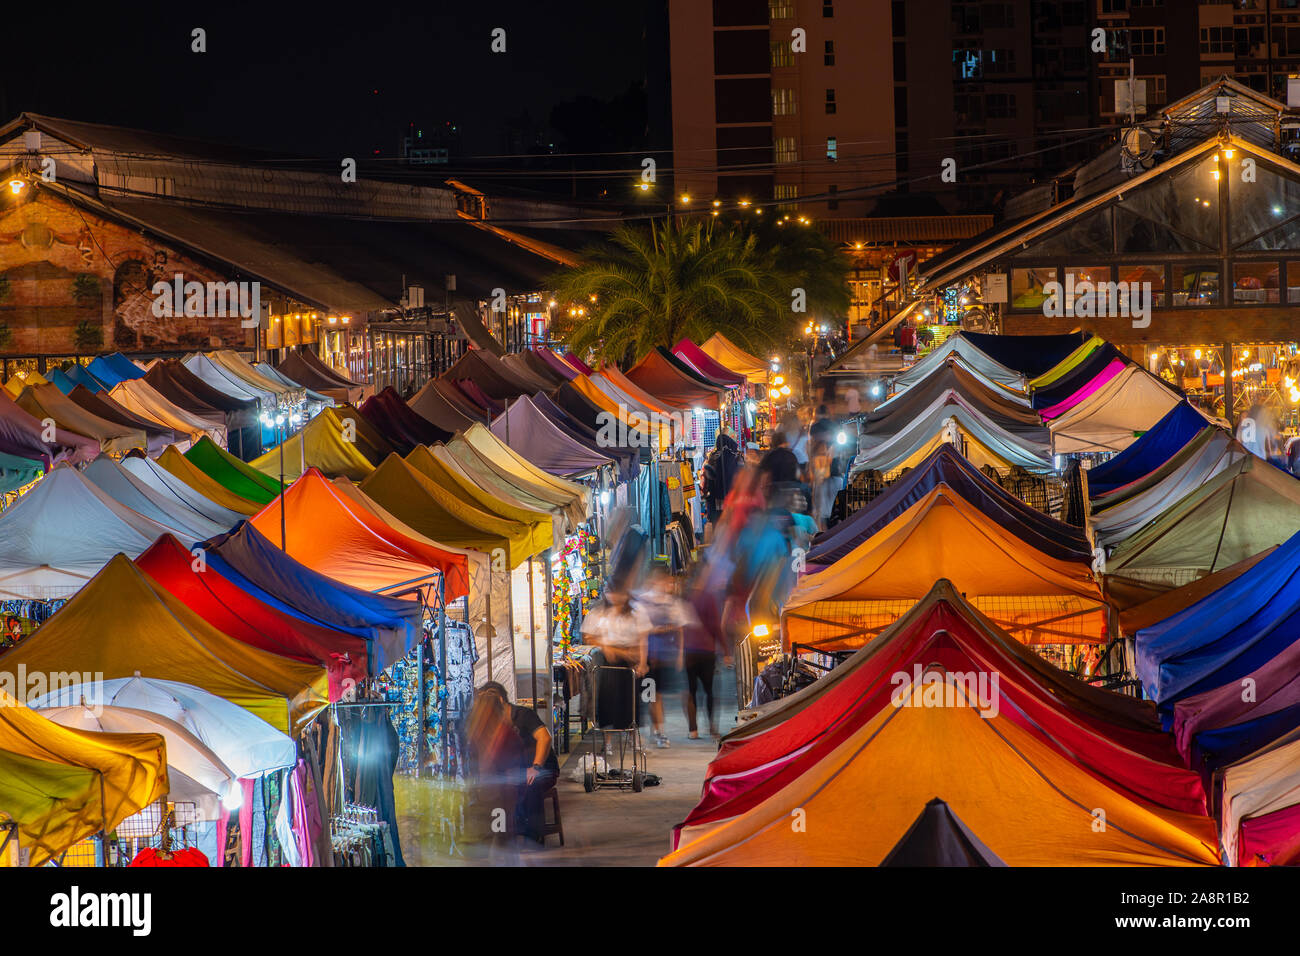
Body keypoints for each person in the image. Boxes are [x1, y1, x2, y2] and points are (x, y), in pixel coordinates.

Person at [472, 682, 560, 844]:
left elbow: (545, 737)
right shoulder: (494, 726)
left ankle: (532, 834)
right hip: (516, 770)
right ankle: (508, 831)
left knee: (529, 782)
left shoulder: (522, 715)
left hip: (543, 767)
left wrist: (535, 767)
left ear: (498, 700)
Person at [634, 567, 698, 747]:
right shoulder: (643, 601)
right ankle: (653, 732)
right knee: (650, 696)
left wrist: (679, 655)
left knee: (656, 696)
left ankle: (658, 731)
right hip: (647, 658)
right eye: (667, 582)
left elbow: (681, 630)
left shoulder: (673, 603)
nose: (671, 585)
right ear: (657, 581)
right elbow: (641, 631)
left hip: (663, 658)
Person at [701, 427, 743, 531]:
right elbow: (743, 477)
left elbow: (707, 481)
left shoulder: (713, 458)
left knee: (719, 531)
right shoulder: (737, 457)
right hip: (735, 501)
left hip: (717, 503)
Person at [758, 430, 800, 499]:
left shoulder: (769, 456)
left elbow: (763, 474)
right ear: (785, 442)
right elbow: (797, 474)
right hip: (790, 491)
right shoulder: (791, 456)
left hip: (773, 492)